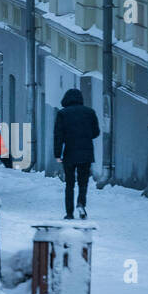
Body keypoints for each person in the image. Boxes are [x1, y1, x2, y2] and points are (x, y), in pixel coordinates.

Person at [53, 88, 100, 220]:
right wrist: (85, 135)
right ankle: (81, 203)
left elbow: (58, 135)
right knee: (83, 182)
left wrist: (57, 154)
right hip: (86, 152)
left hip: (69, 153)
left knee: (69, 183)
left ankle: (69, 213)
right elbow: (96, 132)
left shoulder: (63, 114)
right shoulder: (90, 112)